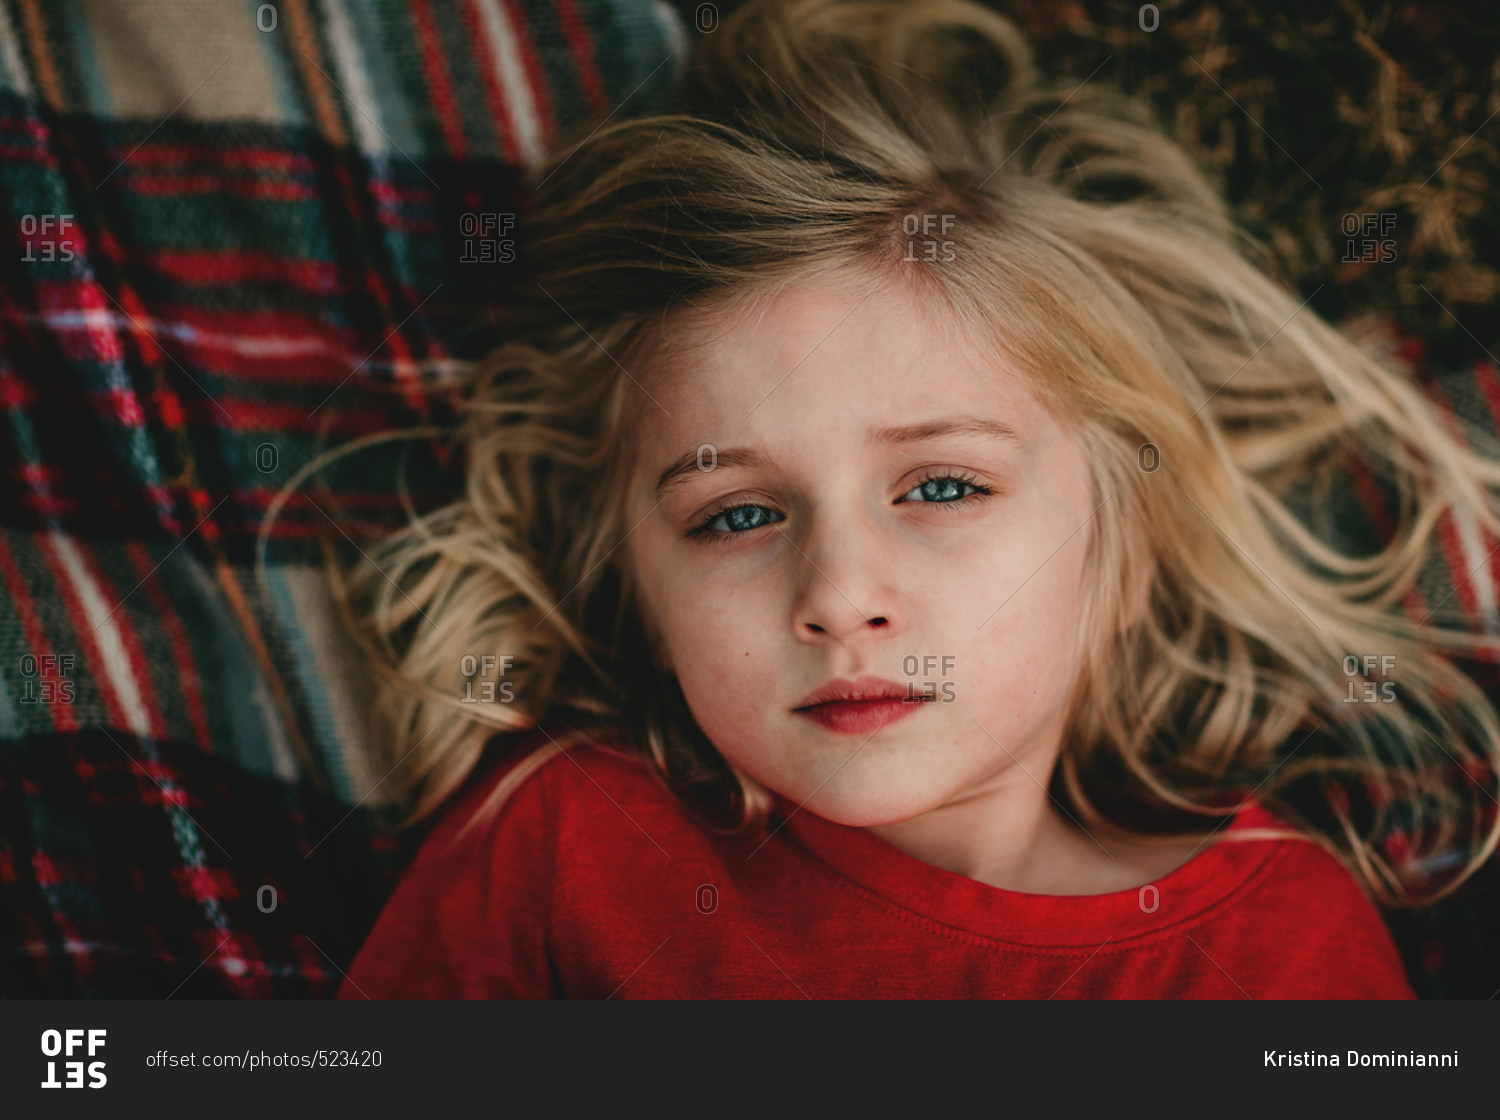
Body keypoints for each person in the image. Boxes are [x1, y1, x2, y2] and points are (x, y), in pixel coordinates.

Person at [331, 0, 1500, 998]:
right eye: (736, 514)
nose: (840, 596)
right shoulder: (564, 851)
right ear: (634, 587)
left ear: (1123, 548)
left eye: (943, 485)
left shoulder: (1266, 946)